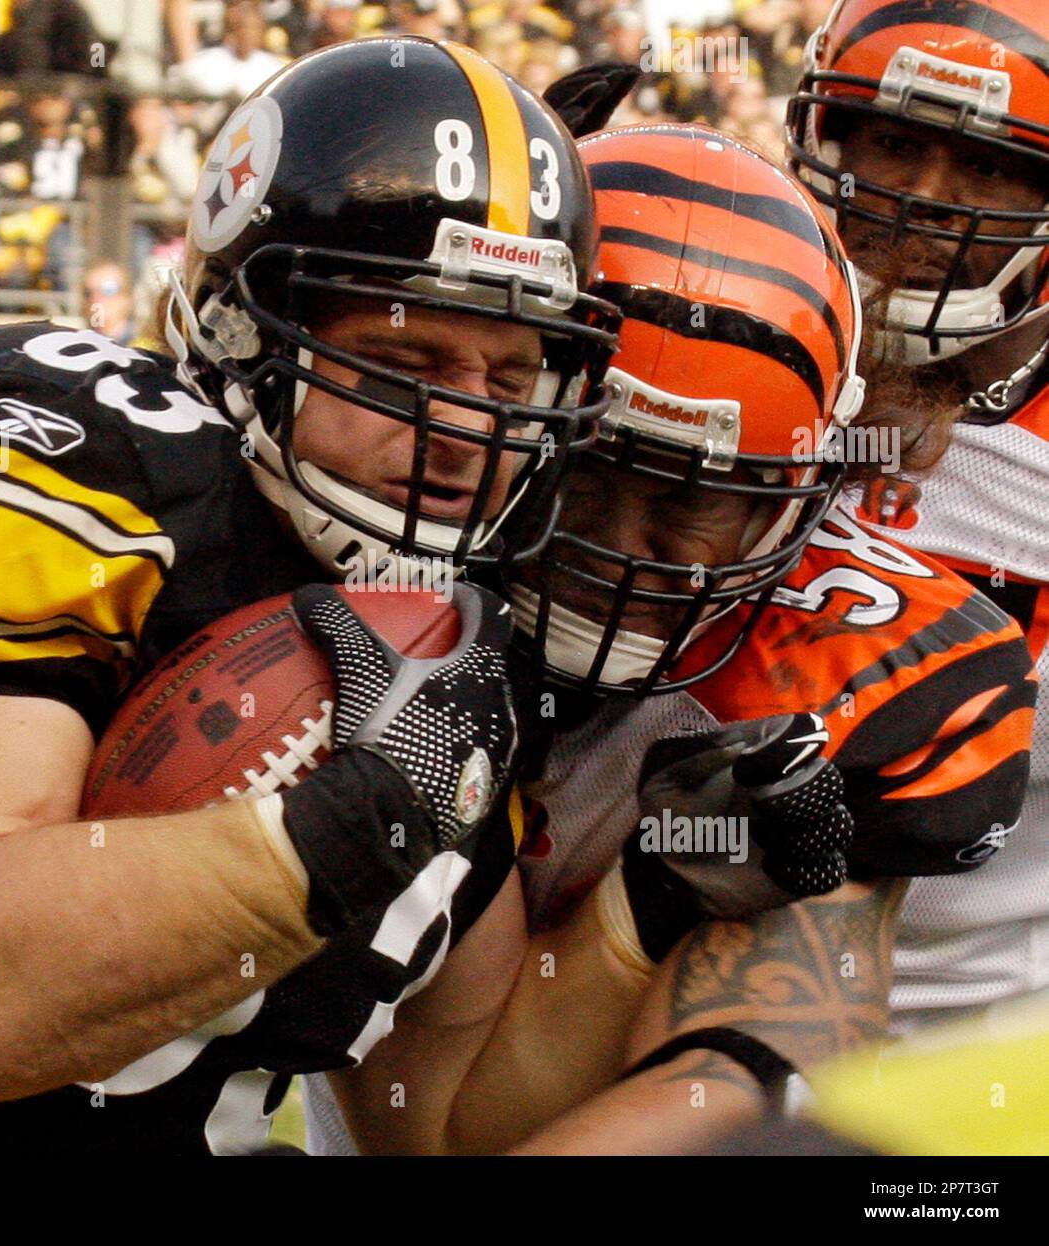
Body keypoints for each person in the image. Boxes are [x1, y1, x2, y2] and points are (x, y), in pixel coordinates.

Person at [0, 37, 618, 1156]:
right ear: (240, 326)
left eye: (510, 378)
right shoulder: (78, 448)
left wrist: (654, 922)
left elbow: (449, 1121)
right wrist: (347, 826)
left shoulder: (449, 640)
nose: (460, 428)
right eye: (407, 362)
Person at [303, 123, 1035, 1155]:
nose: (619, 548)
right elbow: (418, 1125)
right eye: (585, 478)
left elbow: (727, 1092)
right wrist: (644, 901)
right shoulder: (369, 590)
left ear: (798, 506)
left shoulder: (841, 678)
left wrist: (659, 889)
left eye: (691, 500)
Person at [787, 0, 1049, 1034]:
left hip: (971, 1047)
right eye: (895, 144)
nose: (928, 202)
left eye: (986, 166)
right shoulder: (721, 333)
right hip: (648, 1013)